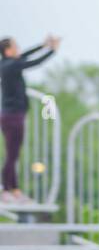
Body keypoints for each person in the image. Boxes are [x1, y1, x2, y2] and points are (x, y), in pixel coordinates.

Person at [1, 34, 59, 202]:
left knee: (13, 153)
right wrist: (52, 51)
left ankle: (14, 188)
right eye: (15, 46)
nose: (18, 49)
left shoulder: (7, 64)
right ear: (8, 50)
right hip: (13, 116)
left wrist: (44, 45)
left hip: (10, 115)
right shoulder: (10, 66)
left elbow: (25, 55)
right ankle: (7, 189)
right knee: (12, 154)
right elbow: (34, 62)